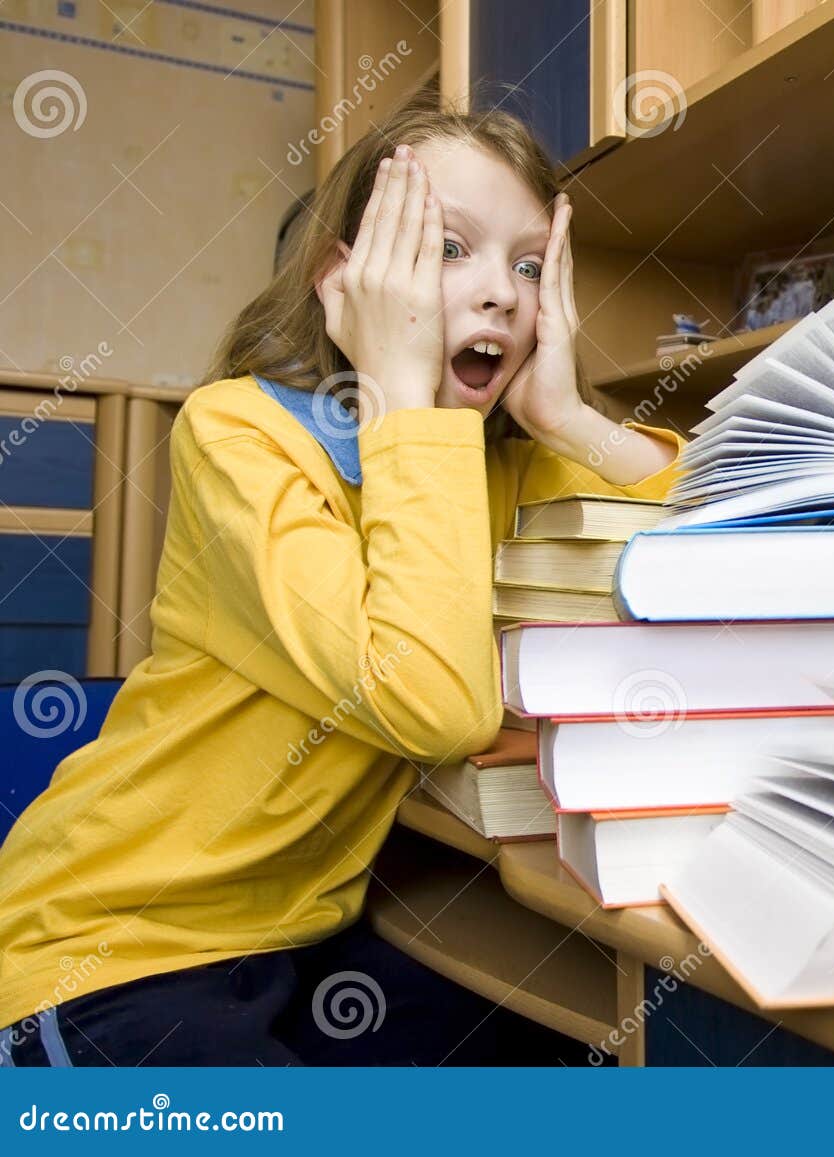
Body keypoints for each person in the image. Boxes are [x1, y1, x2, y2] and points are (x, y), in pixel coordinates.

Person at [0, 89, 682, 1066]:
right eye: (448, 248)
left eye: (530, 266)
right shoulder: (242, 432)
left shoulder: (486, 464)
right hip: (108, 948)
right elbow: (435, 706)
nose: (499, 291)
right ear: (344, 284)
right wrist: (405, 394)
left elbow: (722, 552)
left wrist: (572, 416)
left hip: (296, 934)